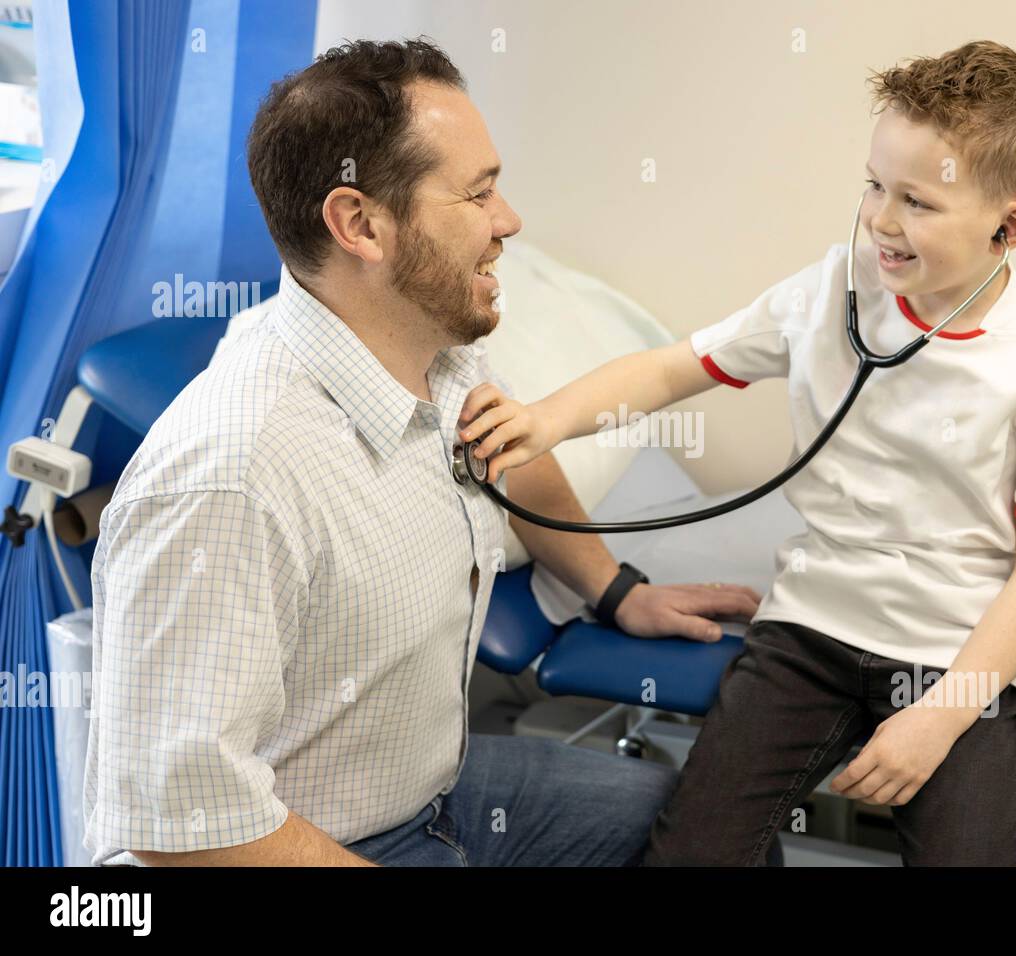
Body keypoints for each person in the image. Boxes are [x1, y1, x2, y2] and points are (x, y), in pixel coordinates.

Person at [83, 38, 762, 867]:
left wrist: (614, 588)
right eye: (477, 195)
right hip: (294, 844)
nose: (508, 221)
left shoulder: (434, 345)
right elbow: (186, 828)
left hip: (435, 789)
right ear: (361, 224)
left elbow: (510, 446)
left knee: (717, 836)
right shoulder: (231, 476)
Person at [456, 40, 1016, 866]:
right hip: (812, 632)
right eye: (874, 185)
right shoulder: (831, 290)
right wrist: (548, 419)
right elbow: (668, 369)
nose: (881, 220)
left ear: (1009, 227)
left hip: (960, 658)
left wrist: (939, 717)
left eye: (919, 202)